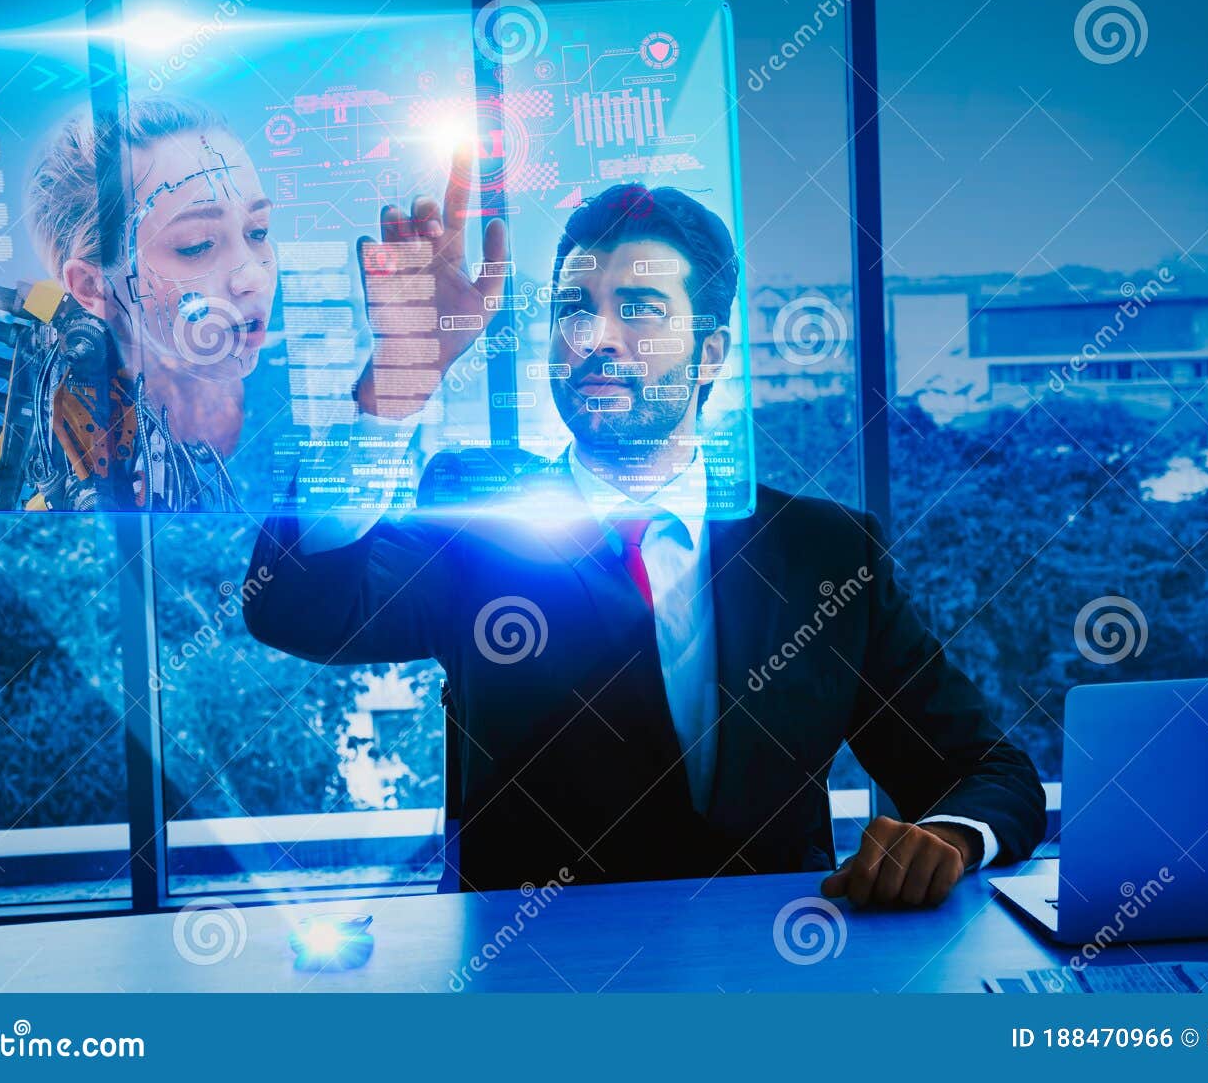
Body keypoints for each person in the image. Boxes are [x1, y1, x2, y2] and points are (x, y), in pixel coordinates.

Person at [244, 160, 1045, 905]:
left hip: (776, 975)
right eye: (574, 309)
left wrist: (949, 837)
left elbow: (985, 770)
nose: (595, 338)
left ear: (710, 353)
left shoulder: (824, 553)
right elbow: (299, 607)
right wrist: (396, 382)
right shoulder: (480, 522)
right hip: (538, 984)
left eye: (638, 309)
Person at [19, 97, 274, 510]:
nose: (255, 277)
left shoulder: (295, 404)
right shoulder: (70, 455)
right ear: (92, 286)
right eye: (196, 245)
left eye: (258, 232)